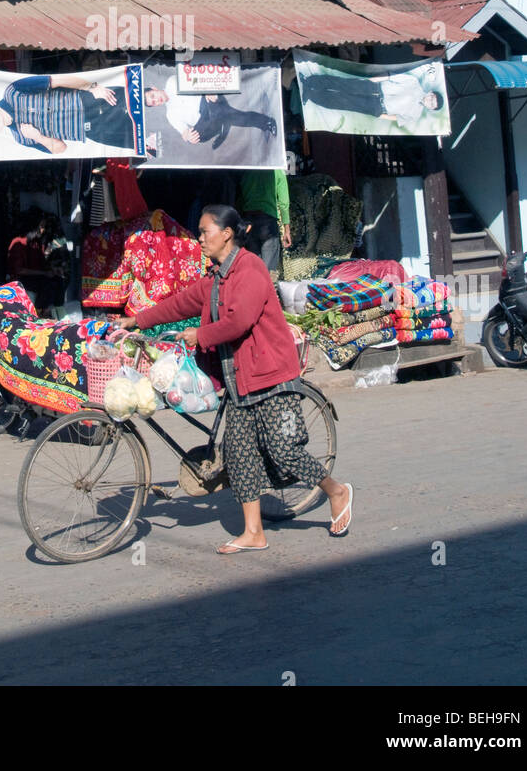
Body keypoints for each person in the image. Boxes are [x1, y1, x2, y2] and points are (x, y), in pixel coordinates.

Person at [117, 204, 353, 552]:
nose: (199, 239)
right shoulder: (216, 278)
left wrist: (202, 336)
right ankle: (254, 532)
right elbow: (182, 303)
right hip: (239, 379)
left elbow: (239, 320)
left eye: (204, 232)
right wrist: (138, 320)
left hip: (272, 376)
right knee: (240, 455)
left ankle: (336, 491)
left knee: (283, 449)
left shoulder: (250, 269)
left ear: (226, 234)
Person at [0, 73, 137, 153]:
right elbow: (61, 148)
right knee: (142, 138)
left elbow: (56, 79)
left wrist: (92, 87)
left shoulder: (13, 91)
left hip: (92, 102)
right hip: (96, 132)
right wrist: (38, 137)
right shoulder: (21, 138)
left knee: (143, 102)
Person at [299, 66, 444, 129]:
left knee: (341, 102)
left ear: (430, 108)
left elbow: (397, 118)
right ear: (430, 93)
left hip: (376, 107)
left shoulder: (416, 115)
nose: (429, 102)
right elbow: (389, 76)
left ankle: (311, 95)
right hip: (374, 88)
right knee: (341, 84)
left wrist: (381, 115)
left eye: (432, 105)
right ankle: (309, 80)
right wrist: (372, 81)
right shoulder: (414, 82)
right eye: (432, 99)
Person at [144, 83, 277, 150]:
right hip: (205, 121)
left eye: (153, 96)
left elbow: (195, 81)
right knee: (195, 137)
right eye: (153, 103)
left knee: (233, 117)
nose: (156, 100)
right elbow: (184, 131)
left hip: (207, 101)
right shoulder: (170, 114)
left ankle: (266, 122)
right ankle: (222, 124)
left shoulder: (171, 82)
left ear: (154, 88)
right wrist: (186, 136)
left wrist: (207, 91)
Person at [238, 169, 292, 275]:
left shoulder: (246, 169)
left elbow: (240, 199)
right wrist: (287, 229)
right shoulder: (277, 170)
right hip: (267, 221)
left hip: (249, 222)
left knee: (254, 270)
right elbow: (283, 202)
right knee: (269, 273)